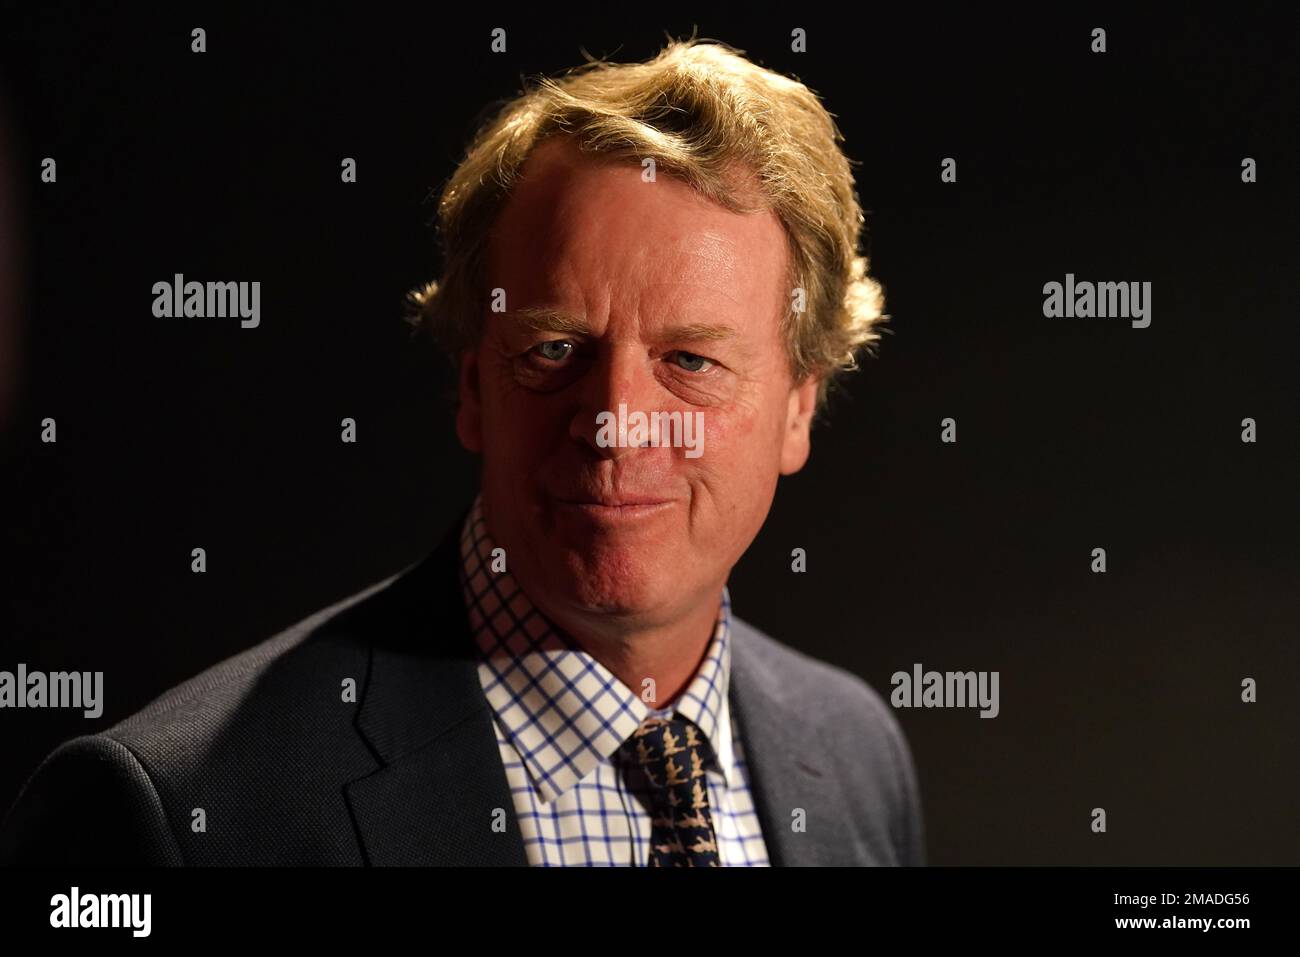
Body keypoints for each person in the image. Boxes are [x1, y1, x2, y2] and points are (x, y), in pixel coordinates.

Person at [0, 38, 923, 867]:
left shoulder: (855, 753)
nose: (616, 421)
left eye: (690, 359)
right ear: (473, 386)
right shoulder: (171, 813)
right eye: (554, 350)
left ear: (800, 404)